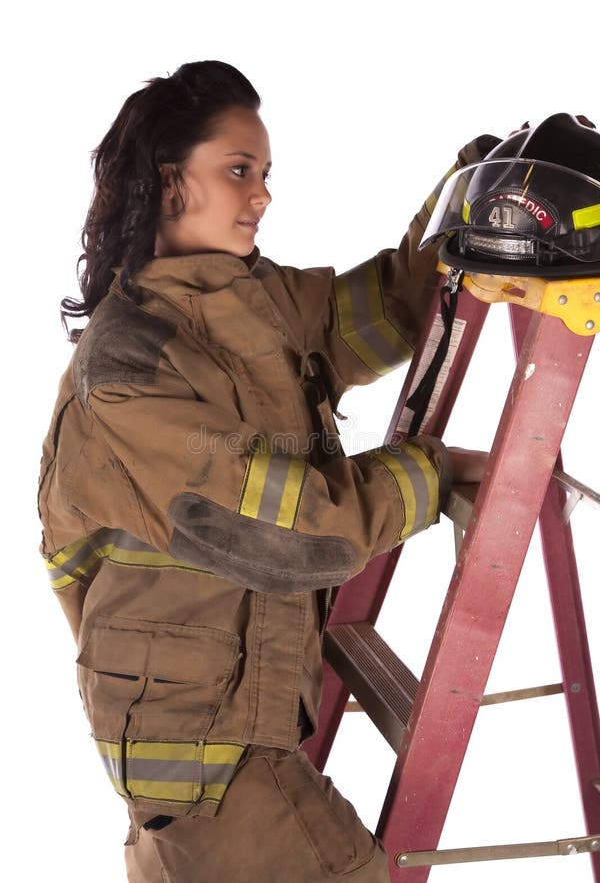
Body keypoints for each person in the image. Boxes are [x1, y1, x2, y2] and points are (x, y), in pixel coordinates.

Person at [38, 60, 492, 882]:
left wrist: (469, 191)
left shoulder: (243, 301)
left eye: (266, 173)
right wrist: (431, 474)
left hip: (233, 714)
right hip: (199, 746)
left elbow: (384, 313)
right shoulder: (130, 367)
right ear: (167, 180)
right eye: (239, 170)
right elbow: (292, 536)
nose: (262, 195)